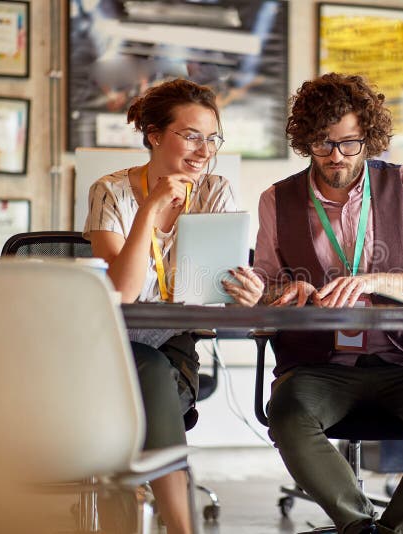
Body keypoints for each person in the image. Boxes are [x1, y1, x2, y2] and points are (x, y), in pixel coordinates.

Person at [252, 72, 403, 534]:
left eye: (350, 143)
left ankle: (390, 532)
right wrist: (283, 292)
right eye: (323, 144)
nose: (336, 157)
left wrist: (372, 280)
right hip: (320, 362)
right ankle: (361, 527)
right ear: (306, 141)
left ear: (369, 137)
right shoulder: (276, 199)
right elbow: (265, 282)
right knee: (287, 415)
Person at [83, 78, 264, 534]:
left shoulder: (216, 192)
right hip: (105, 345)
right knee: (144, 369)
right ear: (154, 135)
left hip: (174, 346)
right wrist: (150, 208)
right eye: (191, 135)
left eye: (212, 138)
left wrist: (247, 291)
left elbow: (215, 295)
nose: (204, 150)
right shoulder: (110, 191)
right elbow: (121, 295)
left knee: (151, 371)